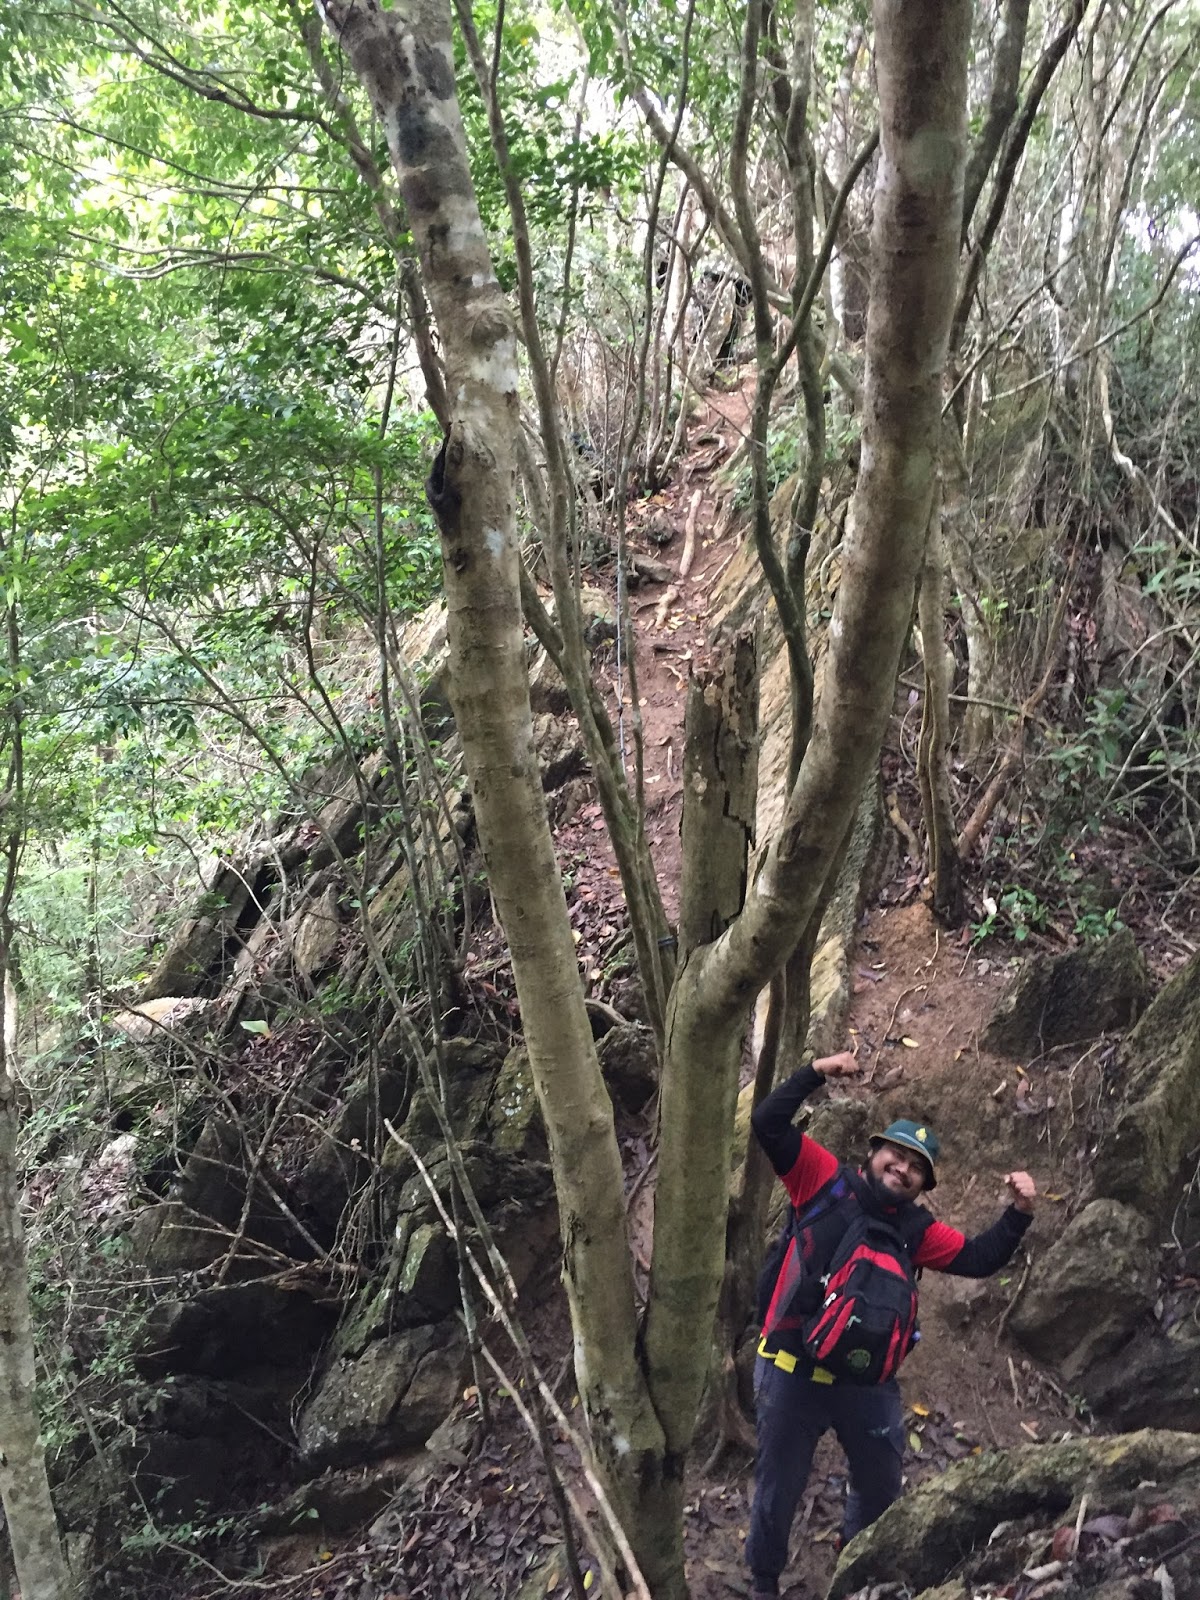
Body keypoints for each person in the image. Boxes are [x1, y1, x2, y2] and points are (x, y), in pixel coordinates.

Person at [746, 1049, 1036, 1599]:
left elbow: (977, 1258)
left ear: (923, 1185)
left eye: (916, 1168)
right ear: (872, 1153)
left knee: (881, 1480)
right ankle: (765, 1582)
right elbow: (766, 1123)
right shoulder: (822, 1180)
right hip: (790, 1370)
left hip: (867, 1382)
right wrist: (814, 1074)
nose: (903, 1169)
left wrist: (1018, 1215)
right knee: (777, 1489)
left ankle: (856, 1563)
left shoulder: (916, 1229)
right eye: (896, 1156)